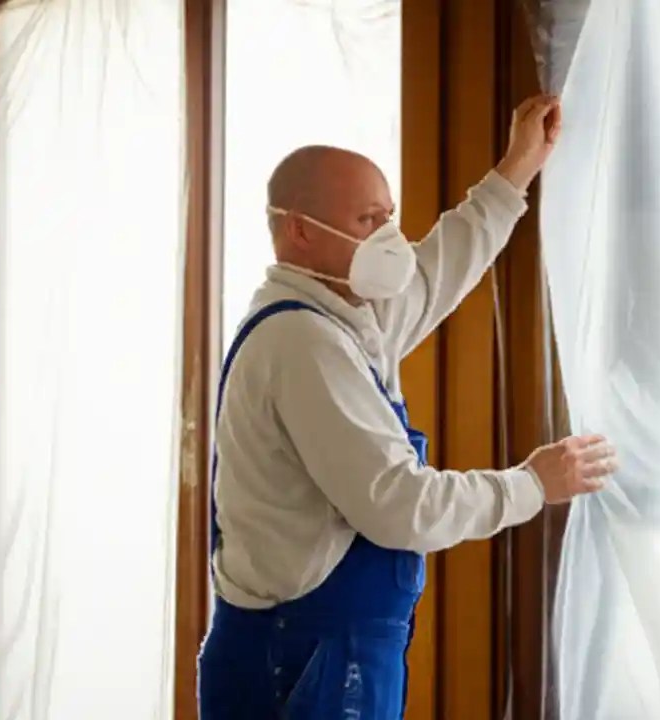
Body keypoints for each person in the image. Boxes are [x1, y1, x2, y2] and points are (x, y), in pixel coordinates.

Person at [197, 94, 616, 719]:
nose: (390, 239)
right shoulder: (304, 343)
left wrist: (516, 170)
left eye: (389, 216)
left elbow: (436, 272)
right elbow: (401, 507)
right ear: (300, 231)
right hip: (303, 661)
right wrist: (531, 484)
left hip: (321, 651)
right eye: (369, 221)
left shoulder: (342, 319)